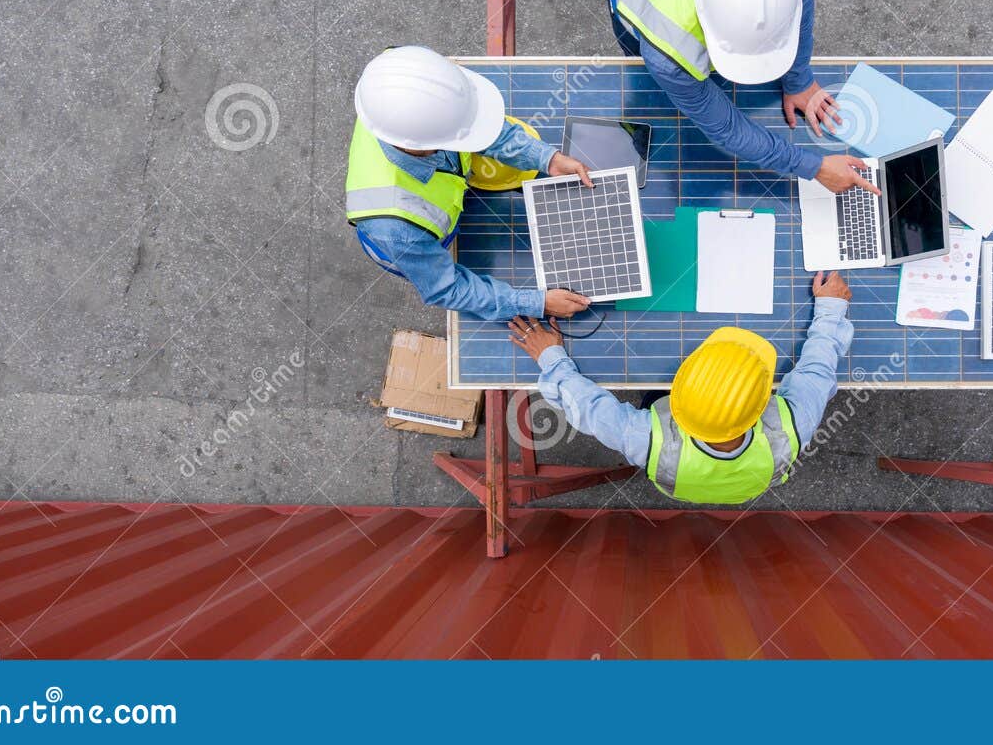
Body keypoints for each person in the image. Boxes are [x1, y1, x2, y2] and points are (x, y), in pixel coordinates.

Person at [508, 271, 855, 504]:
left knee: (644, 402)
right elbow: (818, 367)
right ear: (763, 403)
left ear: (680, 394)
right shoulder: (792, 428)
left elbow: (589, 408)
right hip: (747, 485)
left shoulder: (648, 439)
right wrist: (832, 306)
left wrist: (550, 356)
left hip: (678, 480)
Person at [608, 0, 879, 196]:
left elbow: (803, 8)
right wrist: (812, 166)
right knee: (656, 98)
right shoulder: (667, 51)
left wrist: (799, 80)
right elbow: (725, 127)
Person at [345, 45, 596, 321]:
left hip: (435, 195)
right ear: (430, 144)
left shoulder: (401, 77)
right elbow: (447, 288)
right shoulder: (396, 229)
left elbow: (477, 127)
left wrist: (547, 159)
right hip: (412, 242)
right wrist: (536, 303)